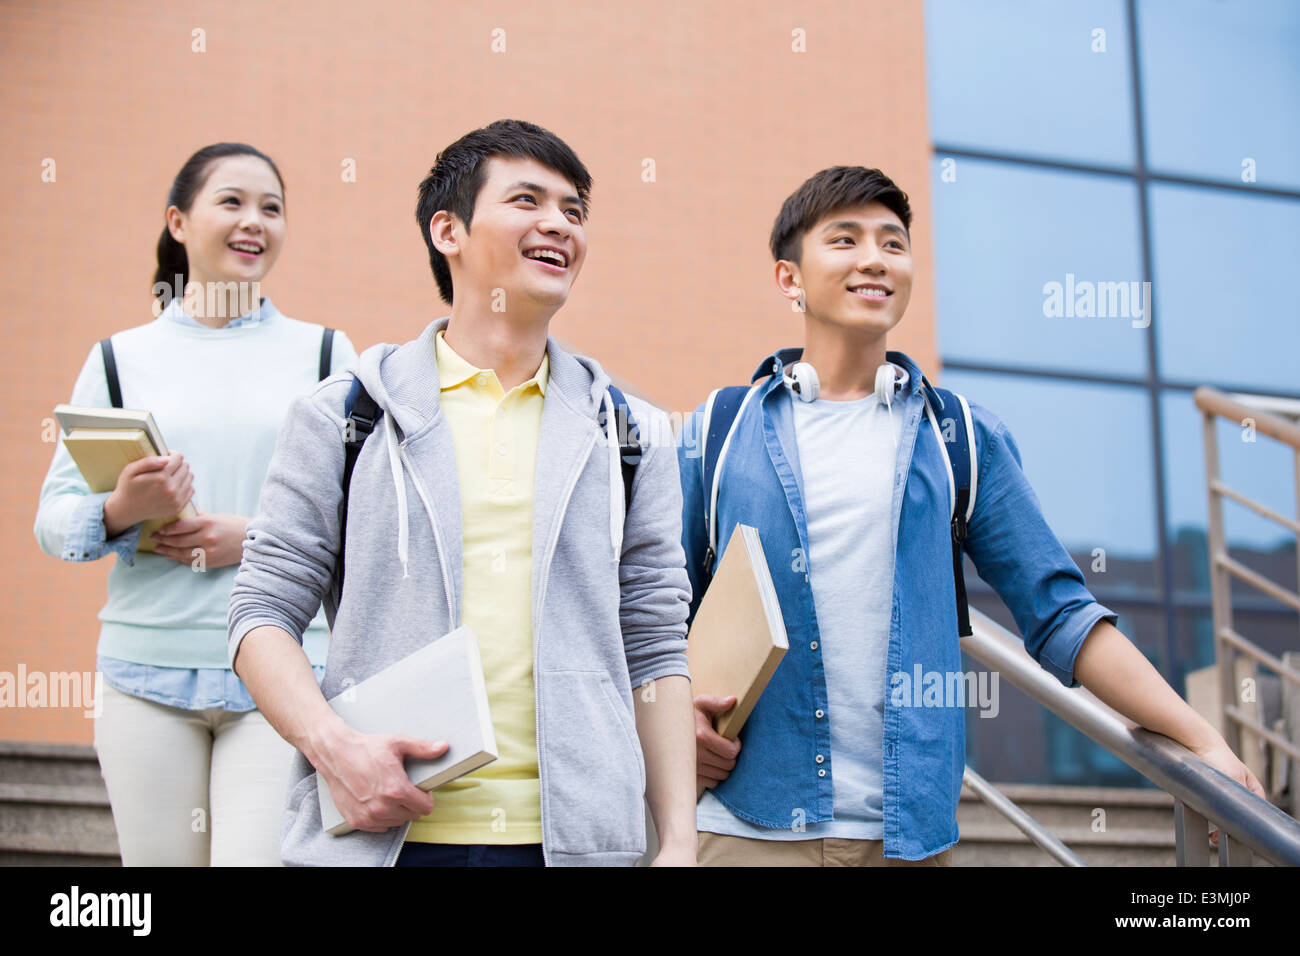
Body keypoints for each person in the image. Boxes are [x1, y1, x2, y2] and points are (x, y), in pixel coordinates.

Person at [678, 165, 1266, 867]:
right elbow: (649, 611)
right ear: (789, 279)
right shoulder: (719, 430)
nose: (875, 258)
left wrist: (1204, 742)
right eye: (845, 239)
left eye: (893, 244)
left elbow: (1061, 613)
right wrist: (671, 717)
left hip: (908, 842)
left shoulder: (958, 438)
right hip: (746, 830)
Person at [228, 119, 697, 867]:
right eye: (528, 200)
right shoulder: (346, 415)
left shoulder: (630, 435)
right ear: (448, 230)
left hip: (577, 847)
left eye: (574, 211)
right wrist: (334, 749)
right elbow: (260, 610)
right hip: (386, 837)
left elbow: (654, 640)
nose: (559, 225)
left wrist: (676, 839)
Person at [34, 143, 358, 866]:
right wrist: (119, 509)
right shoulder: (120, 358)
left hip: (283, 675)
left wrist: (260, 537)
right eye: (233, 202)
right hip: (144, 673)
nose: (255, 222)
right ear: (178, 222)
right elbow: (53, 520)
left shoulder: (328, 357)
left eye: (272, 208)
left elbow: (372, 513)